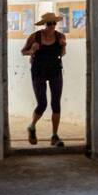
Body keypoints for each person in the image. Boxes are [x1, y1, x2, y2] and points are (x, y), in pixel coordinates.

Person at [21, 12, 68, 147]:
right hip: (38, 72)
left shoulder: (60, 37)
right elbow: (23, 51)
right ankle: (32, 126)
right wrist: (31, 51)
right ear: (44, 24)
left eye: (54, 23)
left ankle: (54, 136)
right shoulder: (35, 37)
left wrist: (64, 46)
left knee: (56, 103)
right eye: (49, 23)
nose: (52, 26)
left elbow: (62, 53)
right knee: (42, 103)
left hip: (55, 71)